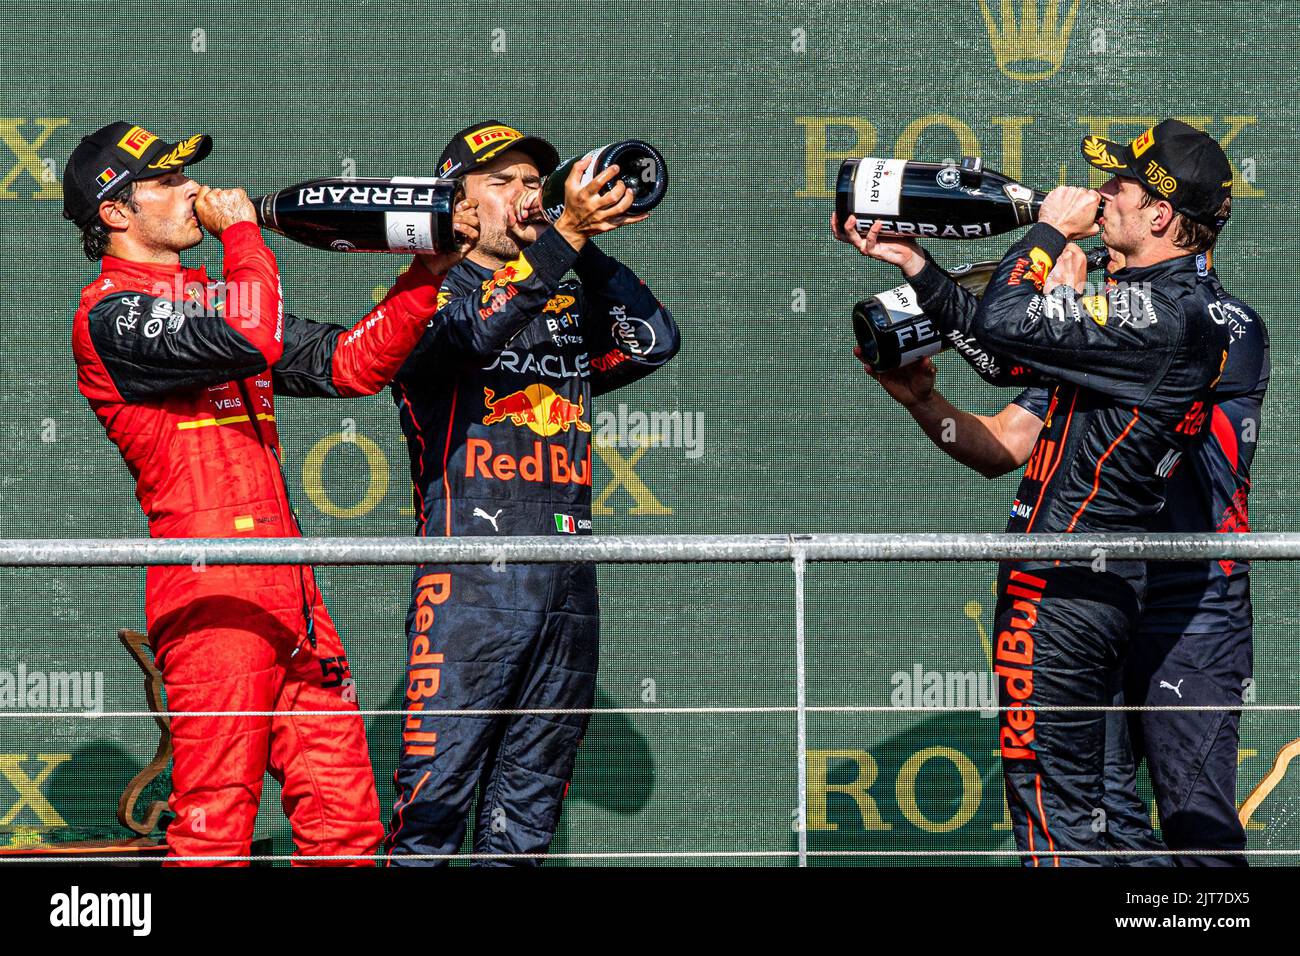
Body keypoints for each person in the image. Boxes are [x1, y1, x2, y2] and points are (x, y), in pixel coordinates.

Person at [65, 121, 478, 865]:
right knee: (215, 828)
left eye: (188, 175)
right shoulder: (109, 315)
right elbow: (250, 339)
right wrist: (245, 237)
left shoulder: (218, 302)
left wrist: (427, 273)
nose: (192, 190)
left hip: (292, 589)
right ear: (116, 213)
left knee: (344, 824)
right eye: (167, 181)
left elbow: (352, 365)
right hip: (211, 585)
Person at [836, 119, 1236, 865]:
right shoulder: (1150, 306)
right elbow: (1004, 354)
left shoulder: (1163, 313)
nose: (1103, 193)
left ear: (1158, 215)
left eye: (1122, 184)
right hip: (1082, 584)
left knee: (1053, 822)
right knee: (1103, 821)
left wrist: (1049, 230)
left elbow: (1008, 316)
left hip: (1061, 590)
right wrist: (915, 264)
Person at [386, 121, 680, 864]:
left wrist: (585, 241)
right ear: (457, 205)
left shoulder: (564, 291)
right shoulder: (427, 295)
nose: (523, 196)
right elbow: (477, 338)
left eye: (531, 183)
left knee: (528, 809)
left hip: (566, 566)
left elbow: (655, 338)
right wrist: (563, 246)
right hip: (469, 575)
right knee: (433, 804)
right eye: (501, 182)